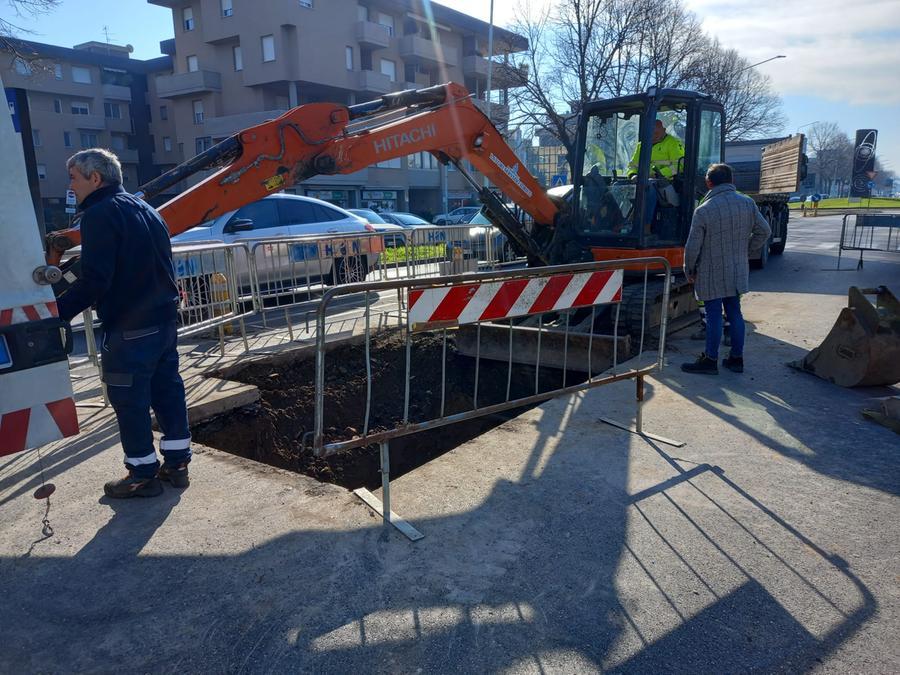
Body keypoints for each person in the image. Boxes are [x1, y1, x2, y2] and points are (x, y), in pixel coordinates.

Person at [57, 149, 191, 498]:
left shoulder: (99, 215)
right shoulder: (146, 209)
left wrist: (56, 312)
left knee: (129, 400)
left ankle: (142, 474)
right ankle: (177, 464)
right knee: (167, 392)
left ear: (95, 178)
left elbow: (96, 279)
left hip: (131, 328)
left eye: (73, 177)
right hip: (163, 322)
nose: (70, 185)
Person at [681, 163, 771, 375]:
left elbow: (693, 245)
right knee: (735, 313)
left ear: (708, 183)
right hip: (737, 269)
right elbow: (764, 231)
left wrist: (689, 269)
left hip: (710, 270)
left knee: (713, 315)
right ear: (732, 181)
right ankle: (736, 359)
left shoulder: (704, 209)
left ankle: (710, 360)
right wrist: (746, 250)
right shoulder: (747, 203)